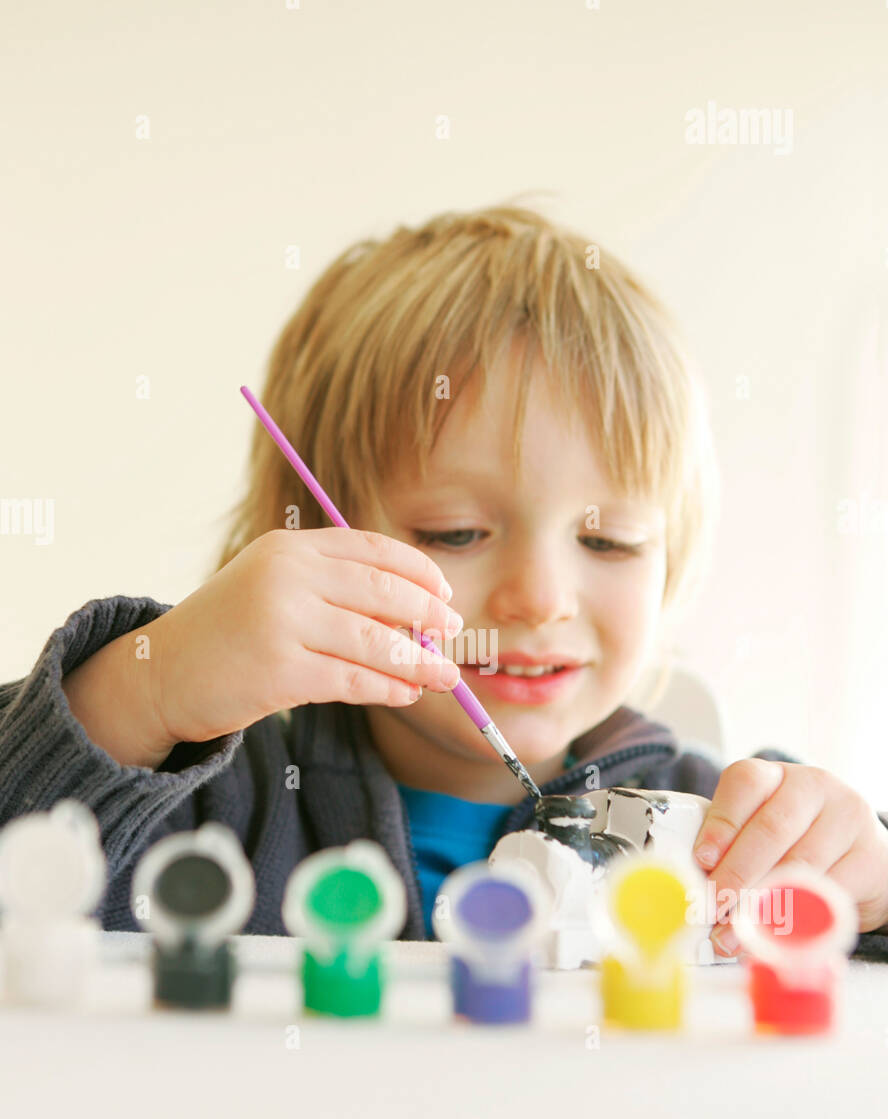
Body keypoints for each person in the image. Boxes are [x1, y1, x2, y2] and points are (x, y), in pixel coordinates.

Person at [2, 203, 886, 952]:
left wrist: (872, 891)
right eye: (455, 532)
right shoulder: (217, 808)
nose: (539, 599)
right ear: (314, 538)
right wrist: (149, 695)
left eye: (611, 540)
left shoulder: (725, 828)